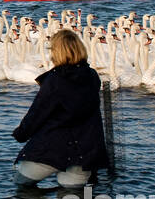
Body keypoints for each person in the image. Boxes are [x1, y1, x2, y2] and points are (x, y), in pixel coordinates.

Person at [12, 29, 110, 187]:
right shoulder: (92, 76)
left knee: (21, 185)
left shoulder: (55, 80)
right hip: (85, 153)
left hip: (54, 149)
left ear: (56, 52)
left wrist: (21, 134)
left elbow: (37, 113)